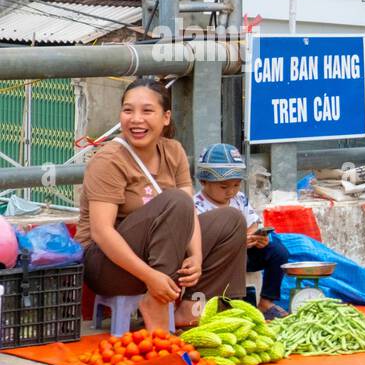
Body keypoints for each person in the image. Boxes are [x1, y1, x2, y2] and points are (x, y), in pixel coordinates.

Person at [76, 78, 248, 330]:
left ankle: (190, 308)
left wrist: (197, 258)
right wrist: (151, 277)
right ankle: (156, 301)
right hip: (109, 268)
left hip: (161, 260)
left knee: (231, 219)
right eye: (128, 110)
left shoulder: (173, 151)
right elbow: (102, 233)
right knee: (175, 200)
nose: (136, 119)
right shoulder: (109, 160)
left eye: (147, 111)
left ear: (165, 117)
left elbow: (189, 211)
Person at [193, 143, 291, 319]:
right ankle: (225, 306)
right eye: (224, 187)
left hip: (246, 253)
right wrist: (237, 243)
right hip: (218, 260)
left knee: (278, 251)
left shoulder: (239, 199)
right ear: (204, 181)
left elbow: (253, 224)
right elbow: (201, 242)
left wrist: (257, 239)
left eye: (236, 185)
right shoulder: (197, 206)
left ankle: (266, 304)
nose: (231, 191)